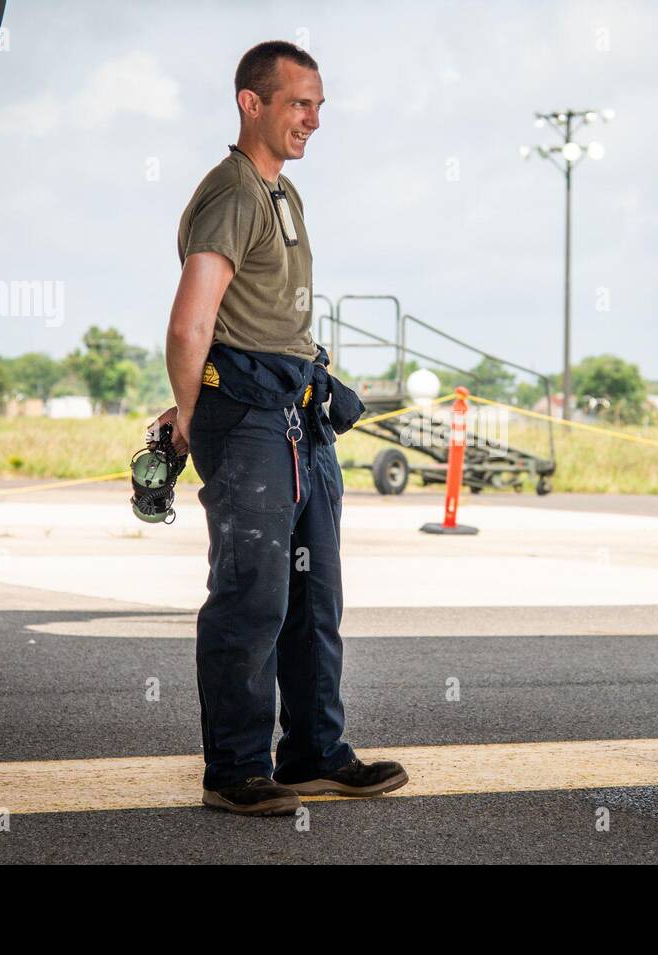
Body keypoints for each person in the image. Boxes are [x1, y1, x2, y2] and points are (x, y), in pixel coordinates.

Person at [155, 40, 408, 816]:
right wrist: (189, 416)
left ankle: (312, 753)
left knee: (311, 593)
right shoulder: (232, 193)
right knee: (251, 595)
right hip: (248, 418)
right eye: (300, 103)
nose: (314, 119)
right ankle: (234, 768)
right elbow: (191, 320)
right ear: (251, 103)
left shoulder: (281, 194)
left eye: (319, 105)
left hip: (299, 416)